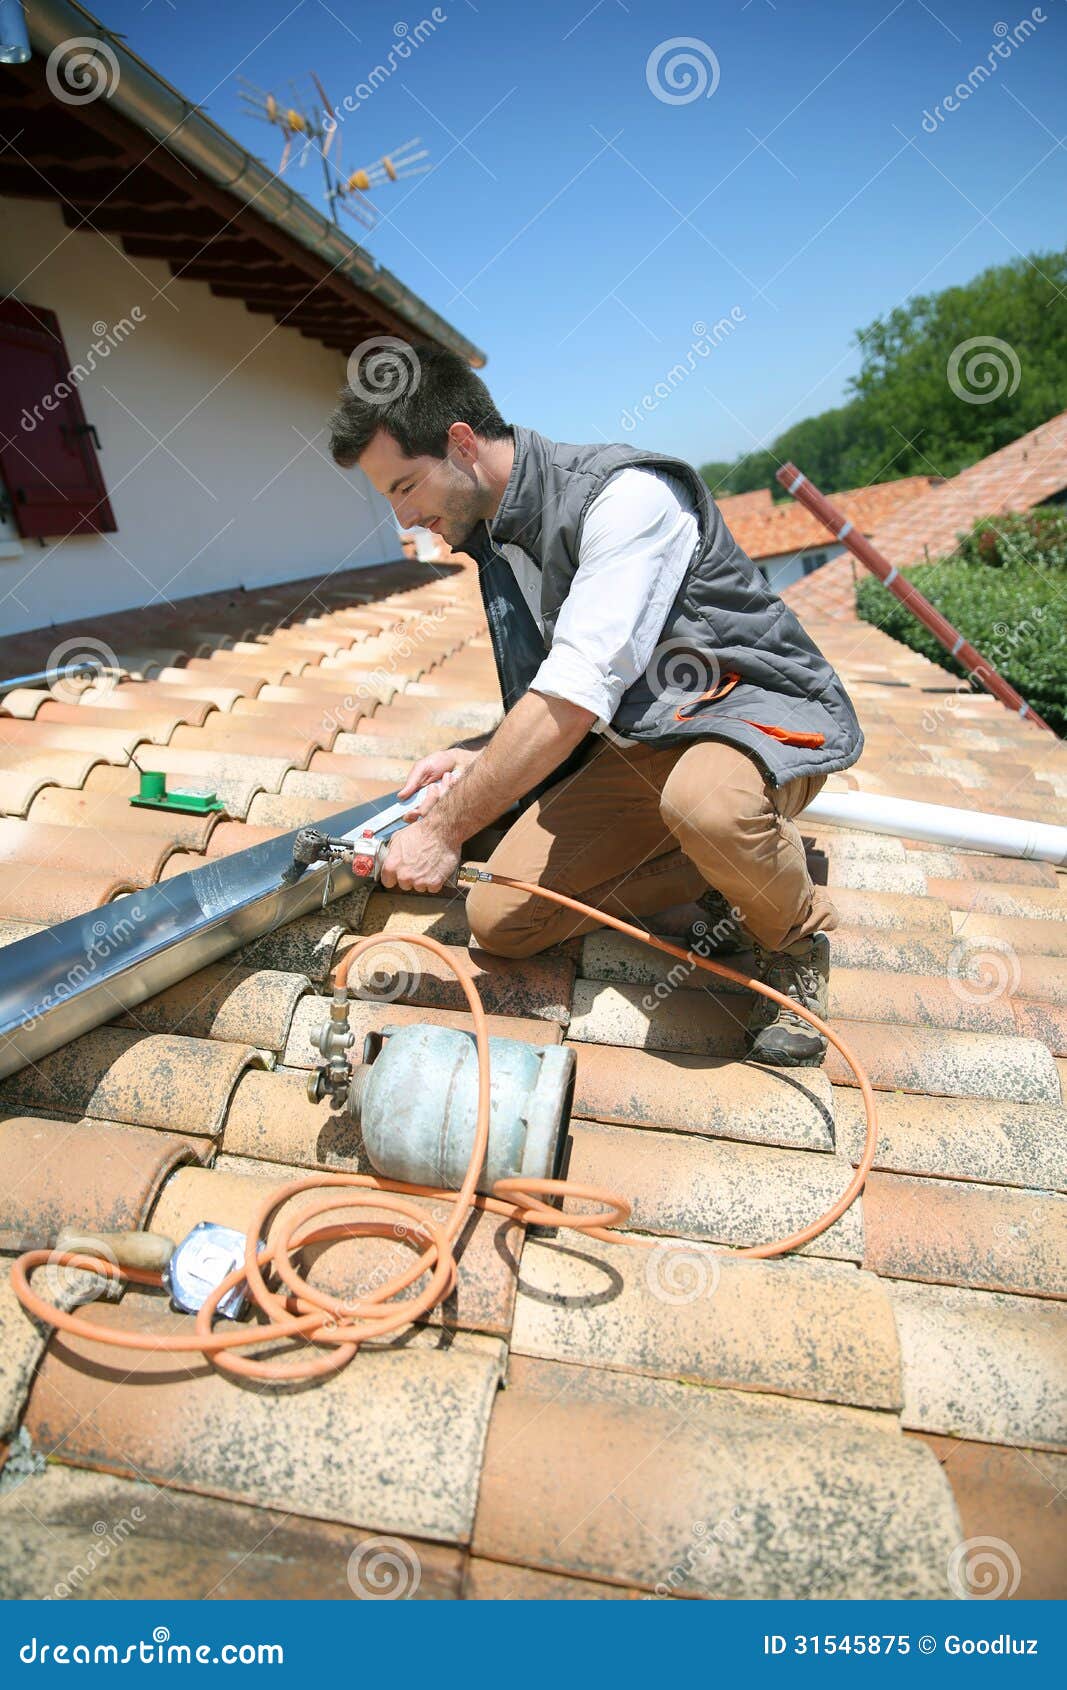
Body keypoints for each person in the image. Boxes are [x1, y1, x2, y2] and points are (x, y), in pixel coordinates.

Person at [328, 345, 863, 1066]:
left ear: (460, 443)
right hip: (644, 737)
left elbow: (573, 694)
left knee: (707, 806)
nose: (405, 515)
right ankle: (730, 871)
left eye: (405, 485)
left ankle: (792, 938)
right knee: (500, 920)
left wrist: (446, 829)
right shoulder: (497, 537)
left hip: (751, 713)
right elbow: (562, 686)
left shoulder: (625, 496)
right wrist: (480, 756)